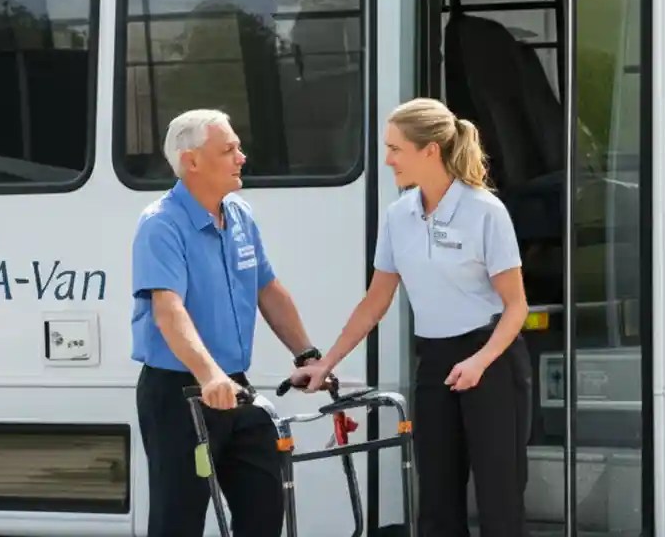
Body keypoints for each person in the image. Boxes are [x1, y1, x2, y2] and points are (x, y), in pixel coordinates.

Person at [287, 97, 531, 537]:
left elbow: (516, 307)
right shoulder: (399, 216)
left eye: (396, 149)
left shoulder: (485, 211)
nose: (387, 159)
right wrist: (327, 364)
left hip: (492, 360)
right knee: (436, 502)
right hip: (435, 361)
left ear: (430, 151)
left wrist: (480, 361)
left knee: (500, 502)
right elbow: (375, 301)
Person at [130, 108, 324, 537]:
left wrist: (307, 354)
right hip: (178, 392)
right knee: (178, 521)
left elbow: (267, 289)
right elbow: (169, 310)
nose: (242, 157)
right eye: (229, 149)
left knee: (264, 505)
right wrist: (209, 375)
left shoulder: (239, 214)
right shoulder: (161, 224)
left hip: (234, 387)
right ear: (191, 162)